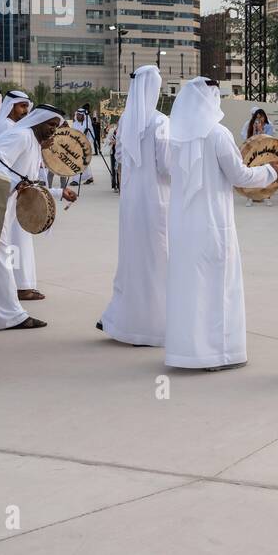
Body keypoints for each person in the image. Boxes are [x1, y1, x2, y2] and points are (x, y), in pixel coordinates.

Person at [164, 78, 278, 370]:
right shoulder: (217, 133)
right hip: (212, 221)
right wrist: (271, 171)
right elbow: (240, 176)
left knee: (189, 286)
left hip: (183, 221)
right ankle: (218, 353)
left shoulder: (176, 134)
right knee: (217, 286)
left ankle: (188, 352)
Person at [0, 105, 78, 331]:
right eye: (50, 125)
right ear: (37, 121)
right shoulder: (21, 136)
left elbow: (28, 182)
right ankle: (11, 315)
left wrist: (59, 194)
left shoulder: (33, 143)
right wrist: (17, 183)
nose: (53, 130)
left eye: (56, 126)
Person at [99, 66, 171, 346]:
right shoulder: (160, 121)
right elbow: (167, 166)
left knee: (133, 258)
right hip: (157, 201)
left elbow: (118, 157)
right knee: (158, 258)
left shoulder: (126, 119)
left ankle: (128, 320)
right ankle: (157, 325)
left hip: (131, 202)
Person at [0, 91, 40, 301]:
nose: (25, 111)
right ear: (10, 106)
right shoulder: (8, 128)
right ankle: (18, 286)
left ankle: (22, 284)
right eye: (21, 106)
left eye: (26, 106)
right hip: (12, 191)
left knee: (20, 240)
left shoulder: (18, 129)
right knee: (15, 242)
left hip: (19, 190)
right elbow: (0, 161)